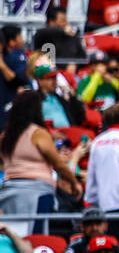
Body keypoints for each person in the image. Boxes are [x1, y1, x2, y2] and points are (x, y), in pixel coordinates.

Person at [0, 90, 82, 229]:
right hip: (37, 192)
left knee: (13, 233)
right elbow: (58, 164)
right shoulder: (38, 133)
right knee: (36, 236)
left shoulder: (5, 136)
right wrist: (74, 183)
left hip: (9, 191)